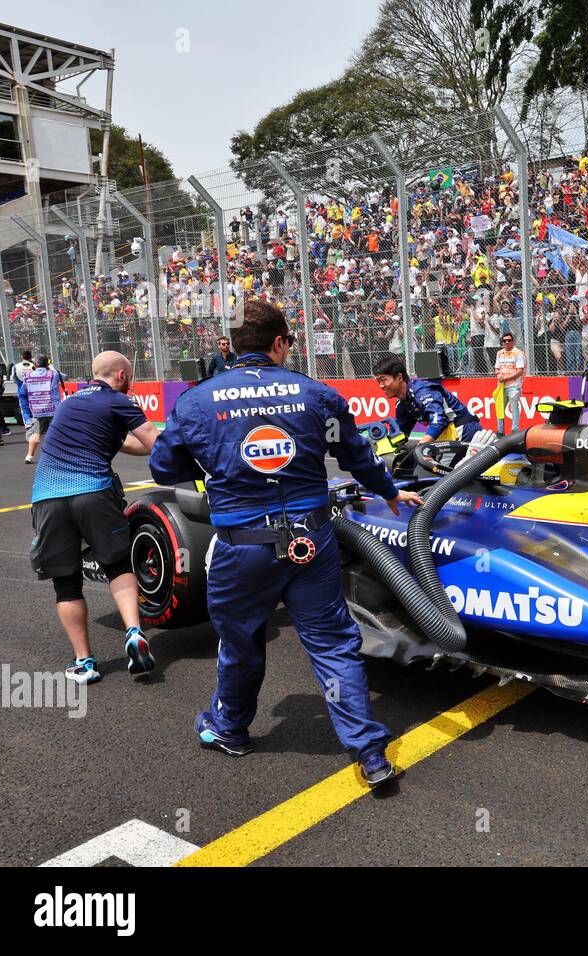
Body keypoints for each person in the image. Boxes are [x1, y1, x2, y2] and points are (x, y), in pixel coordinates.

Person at [150, 302, 422, 786]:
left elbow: (165, 468)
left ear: (234, 347)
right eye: (289, 342)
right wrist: (388, 491)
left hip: (242, 544)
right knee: (334, 644)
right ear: (279, 344)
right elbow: (356, 455)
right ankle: (370, 753)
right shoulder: (315, 394)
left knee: (240, 641)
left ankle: (230, 728)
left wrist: (225, 464)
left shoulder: (195, 400)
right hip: (311, 537)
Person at [30, 351, 160, 685]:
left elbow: (125, 444)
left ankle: (84, 662)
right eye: (129, 378)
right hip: (92, 491)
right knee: (118, 564)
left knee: (66, 582)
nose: (130, 385)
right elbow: (152, 440)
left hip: (46, 497)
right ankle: (133, 632)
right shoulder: (117, 400)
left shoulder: (70, 403)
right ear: (120, 375)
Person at [373, 354, 482, 445]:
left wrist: (420, 447)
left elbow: (438, 421)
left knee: (430, 467)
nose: (381, 386)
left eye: (383, 380)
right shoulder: (402, 404)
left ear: (399, 378)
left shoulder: (421, 391)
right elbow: (401, 433)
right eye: (378, 382)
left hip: (464, 430)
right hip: (447, 434)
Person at [18, 355, 63, 464]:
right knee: (57, 433)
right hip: (54, 409)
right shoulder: (53, 374)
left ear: (35, 364)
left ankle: (29, 456)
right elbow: (64, 377)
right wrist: (50, 367)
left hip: (37, 410)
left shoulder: (28, 376)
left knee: (35, 434)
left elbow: (22, 393)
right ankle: (58, 456)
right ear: (47, 364)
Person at [494, 331, 526, 434]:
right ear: (502, 342)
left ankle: (514, 430)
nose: (507, 342)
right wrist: (498, 375)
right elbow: (496, 369)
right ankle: (500, 431)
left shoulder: (518, 353)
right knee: (500, 409)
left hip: (513, 386)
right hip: (501, 386)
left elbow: (520, 371)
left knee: (514, 409)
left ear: (513, 341)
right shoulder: (499, 353)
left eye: (509, 340)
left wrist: (506, 378)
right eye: (504, 341)